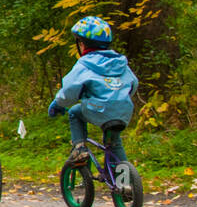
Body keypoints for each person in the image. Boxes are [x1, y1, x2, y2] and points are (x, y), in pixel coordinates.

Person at [48, 16, 139, 165]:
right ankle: (125, 180)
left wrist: (59, 103)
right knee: (114, 141)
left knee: (74, 112)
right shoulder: (120, 61)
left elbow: (70, 90)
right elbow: (133, 83)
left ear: (82, 45)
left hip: (98, 109)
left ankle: (79, 148)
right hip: (123, 110)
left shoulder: (84, 64)